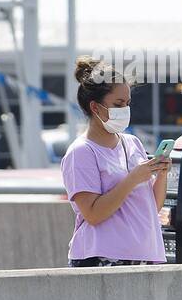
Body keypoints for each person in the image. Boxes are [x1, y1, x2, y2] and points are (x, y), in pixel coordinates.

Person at [59, 56, 169, 267]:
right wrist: (133, 179)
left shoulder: (132, 143)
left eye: (127, 104)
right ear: (95, 107)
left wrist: (161, 173)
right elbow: (93, 214)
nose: (125, 110)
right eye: (118, 104)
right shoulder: (81, 152)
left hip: (144, 254)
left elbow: (151, 207)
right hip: (102, 257)